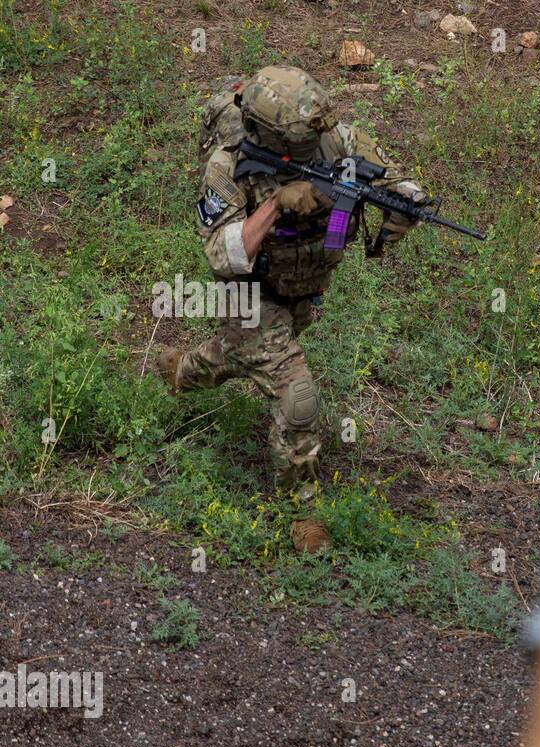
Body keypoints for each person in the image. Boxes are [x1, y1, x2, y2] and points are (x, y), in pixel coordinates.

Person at [155, 66, 428, 516]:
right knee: (297, 396)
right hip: (248, 294)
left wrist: (407, 197)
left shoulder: (335, 139)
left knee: (246, 351)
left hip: (300, 286)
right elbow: (223, 256)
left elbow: (387, 174)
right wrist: (276, 204)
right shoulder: (227, 165)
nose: (313, 145)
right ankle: (301, 509)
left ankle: (183, 371)